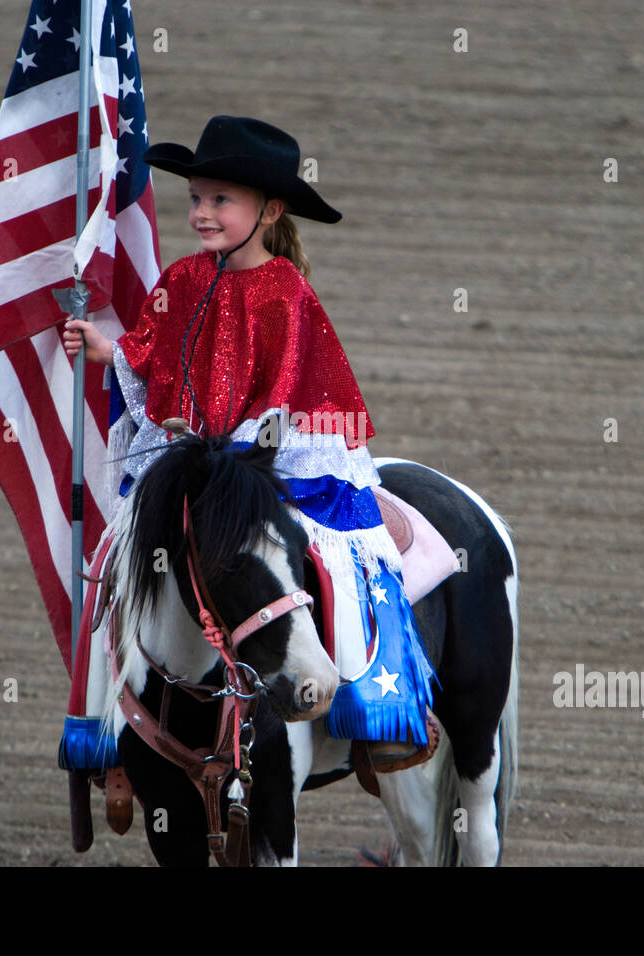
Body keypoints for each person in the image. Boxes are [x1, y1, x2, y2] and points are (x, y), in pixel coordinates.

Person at [62, 115, 434, 768]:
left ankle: (371, 696)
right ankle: (97, 725)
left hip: (277, 464)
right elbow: (153, 357)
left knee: (340, 555)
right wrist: (108, 350)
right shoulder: (181, 280)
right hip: (191, 464)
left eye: (220, 200)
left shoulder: (286, 293)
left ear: (269, 210)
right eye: (196, 199)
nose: (203, 213)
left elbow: (290, 395)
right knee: (112, 557)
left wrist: (234, 452)